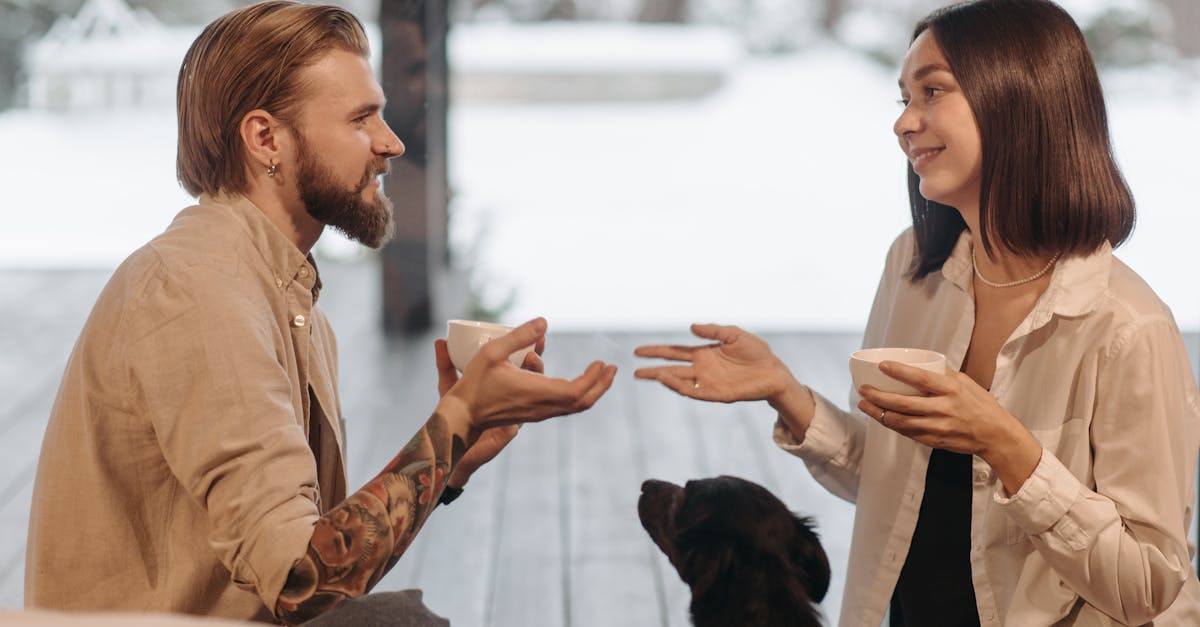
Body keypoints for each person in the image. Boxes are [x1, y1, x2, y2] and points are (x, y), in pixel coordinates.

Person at [24, 2, 617, 624]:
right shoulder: (197, 291)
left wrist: (455, 451)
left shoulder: (283, 294)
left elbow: (323, 569)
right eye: (362, 119)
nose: (391, 143)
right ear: (265, 139)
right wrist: (456, 417)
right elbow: (302, 580)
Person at [634, 1, 1200, 625]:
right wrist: (784, 391)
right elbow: (891, 483)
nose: (905, 123)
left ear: (1019, 99)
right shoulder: (915, 269)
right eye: (902, 98)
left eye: (931, 91)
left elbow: (1149, 586)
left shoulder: (1128, 329)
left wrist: (1008, 446)